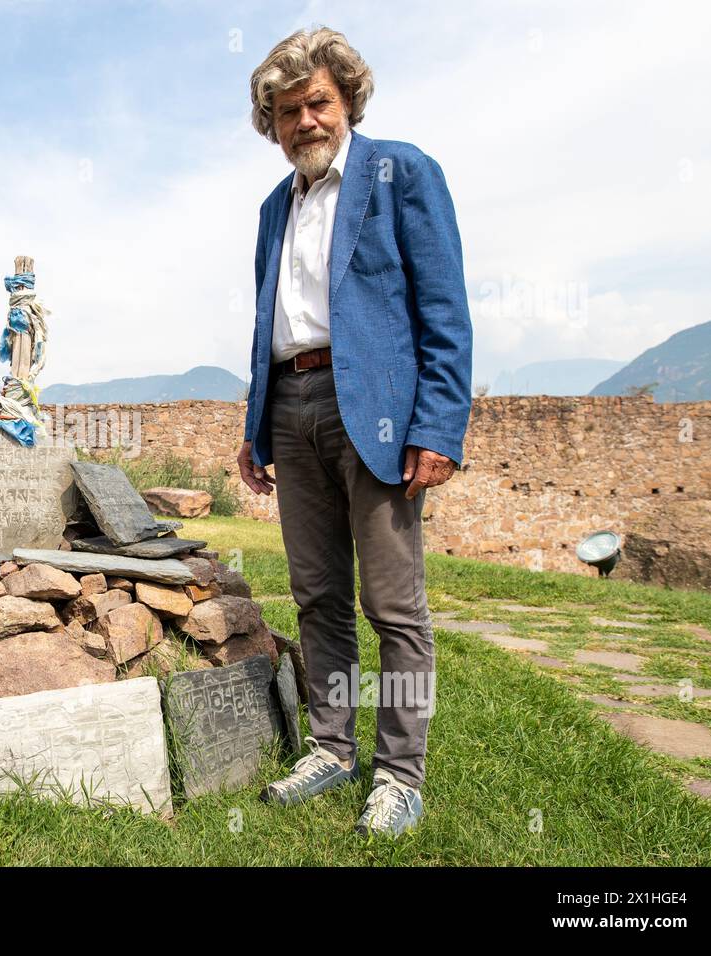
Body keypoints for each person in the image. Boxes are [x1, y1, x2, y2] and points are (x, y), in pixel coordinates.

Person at [238, 27, 472, 837]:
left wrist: (438, 425)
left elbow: (444, 311)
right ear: (270, 124)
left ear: (345, 102)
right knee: (319, 596)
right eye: (286, 111)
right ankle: (332, 751)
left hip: (372, 411)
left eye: (317, 103)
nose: (304, 121)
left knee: (393, 606)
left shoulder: (400, 171)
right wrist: (254, 424)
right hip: (291, 407)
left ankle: (400, 776)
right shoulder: (276, 207)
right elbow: (271, 320)